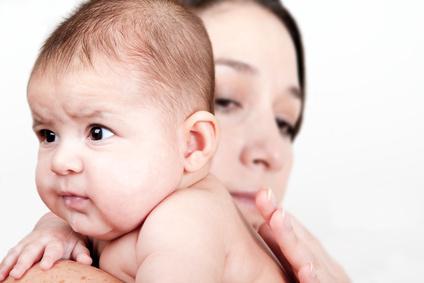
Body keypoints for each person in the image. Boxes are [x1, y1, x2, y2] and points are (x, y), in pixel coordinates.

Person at [0, 0, 350, 282]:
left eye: (97, 133)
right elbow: (76, 221)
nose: (61, 161)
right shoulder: (121, 204)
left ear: (193, 145)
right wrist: (54, 231)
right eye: (48, 135)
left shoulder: (184, 222)